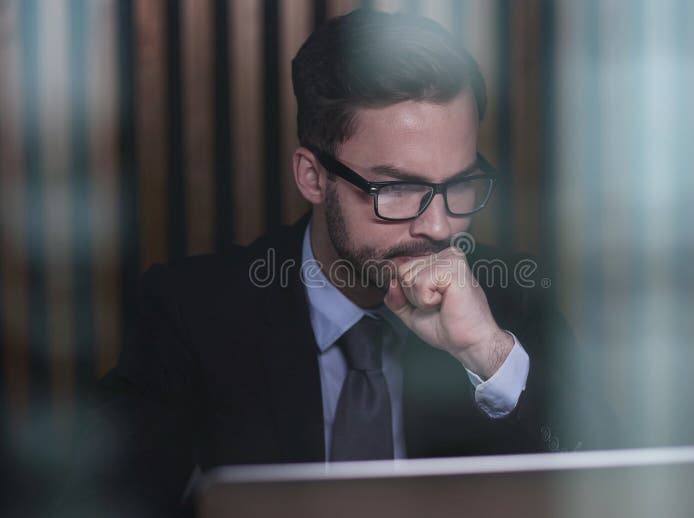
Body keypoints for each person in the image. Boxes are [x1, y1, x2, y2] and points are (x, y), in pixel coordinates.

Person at [65, 9, 615, 517]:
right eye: (398, 188)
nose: (440, 227)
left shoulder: (513, 306)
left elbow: (617, 484)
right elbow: (101, 494)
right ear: (312, 176)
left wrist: (487, 355)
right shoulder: (194, 312)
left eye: (460, 184)